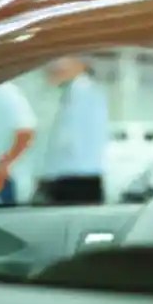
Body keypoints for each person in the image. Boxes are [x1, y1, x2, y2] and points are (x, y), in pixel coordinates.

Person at [36, 56, 109, 204]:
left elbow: (66, 139)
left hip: (74, 176)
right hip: (68, 175)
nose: (52, 69)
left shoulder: (82, 92)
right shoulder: (70, 92)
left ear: (79, 64)